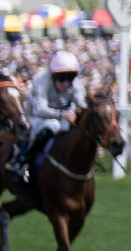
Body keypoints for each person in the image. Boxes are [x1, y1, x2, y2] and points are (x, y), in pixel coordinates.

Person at [15, 50, 87, 189]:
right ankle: (24, 162)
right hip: (34, 116)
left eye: (70, 78)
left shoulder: (75, 84)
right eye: (62, 79)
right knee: (53, 125)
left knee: (72, 128)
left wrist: (78, 113)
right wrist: (62, 114)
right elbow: (39, 109)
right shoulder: (41, 80)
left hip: (58, 115)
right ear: (53, 76)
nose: (66, 83)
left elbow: (82, 106)